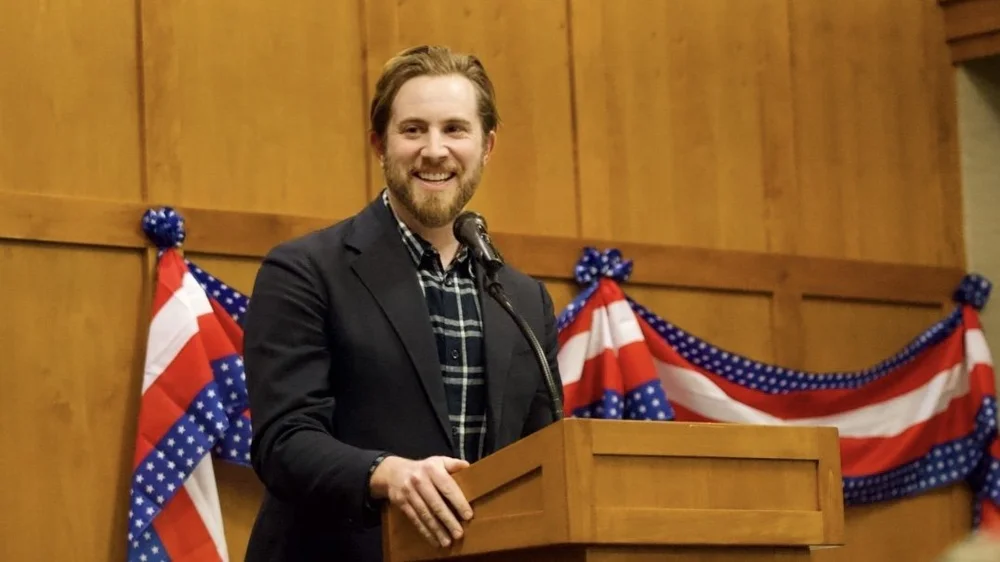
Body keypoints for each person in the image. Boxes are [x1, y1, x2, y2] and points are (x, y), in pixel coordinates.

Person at [241, 45, 564, 562]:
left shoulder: (524, 299)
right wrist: (386, 473)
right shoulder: (304, 271)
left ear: (487, 147)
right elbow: (284, 441)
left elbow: (543, 461)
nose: (434, 150)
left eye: (455, 129)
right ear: (379, 143)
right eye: (413, 130)